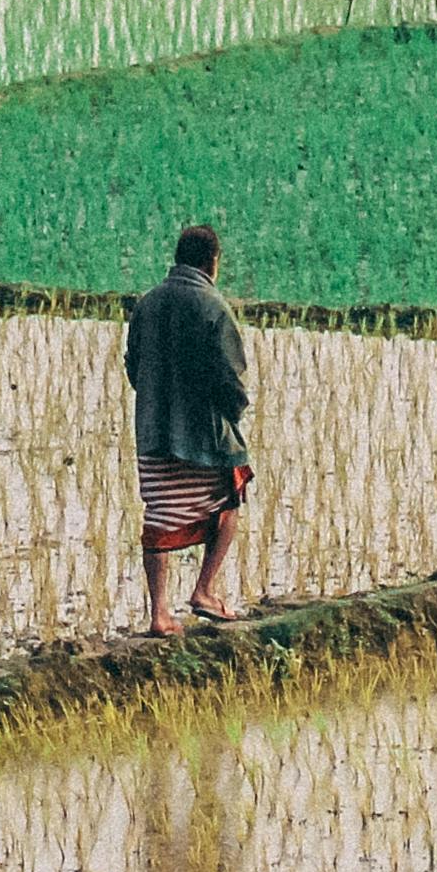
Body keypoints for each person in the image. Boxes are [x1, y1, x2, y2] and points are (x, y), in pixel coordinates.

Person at [121, 222, 253, 632]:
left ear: (178, 258)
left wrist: (155, 403)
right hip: (204, 436)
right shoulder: (213, 307)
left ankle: (159, 612)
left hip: (154, 432)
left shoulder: (148, 303)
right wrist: (233, 413)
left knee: (159, 516)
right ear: (213, 262)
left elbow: (133, 365)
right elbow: (231, 378)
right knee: (229, 501)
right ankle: (204, 590)